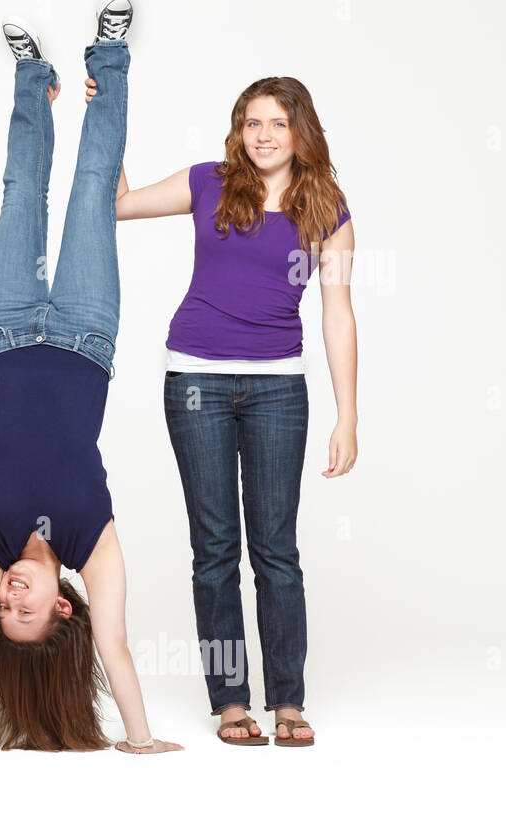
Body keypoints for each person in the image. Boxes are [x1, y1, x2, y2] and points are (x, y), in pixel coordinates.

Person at [0, 0, 180, 755]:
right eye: (25, 612)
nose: (8, 603)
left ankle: (32, 78)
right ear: (62, 611)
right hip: (84, 332)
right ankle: (110, 56)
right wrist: (140, 740)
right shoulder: (90, 542)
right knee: (93, 187)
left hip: (4, 331)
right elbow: (119, 650)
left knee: (19, 193)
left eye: (5, 614)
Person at [97, 68, 356, 747]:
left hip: (278, 387)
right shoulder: (207, 179)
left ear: (301, 131)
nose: (264, 135)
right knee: (214, 550)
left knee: (276, 552)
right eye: (253, 122)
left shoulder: (326, 204)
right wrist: (108, 117)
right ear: (239, 131)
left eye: (277, 122)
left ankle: (288, 701)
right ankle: (230, 702)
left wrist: (347, 415)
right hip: (196, 381)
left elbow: (338, 313)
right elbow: (116, 204)